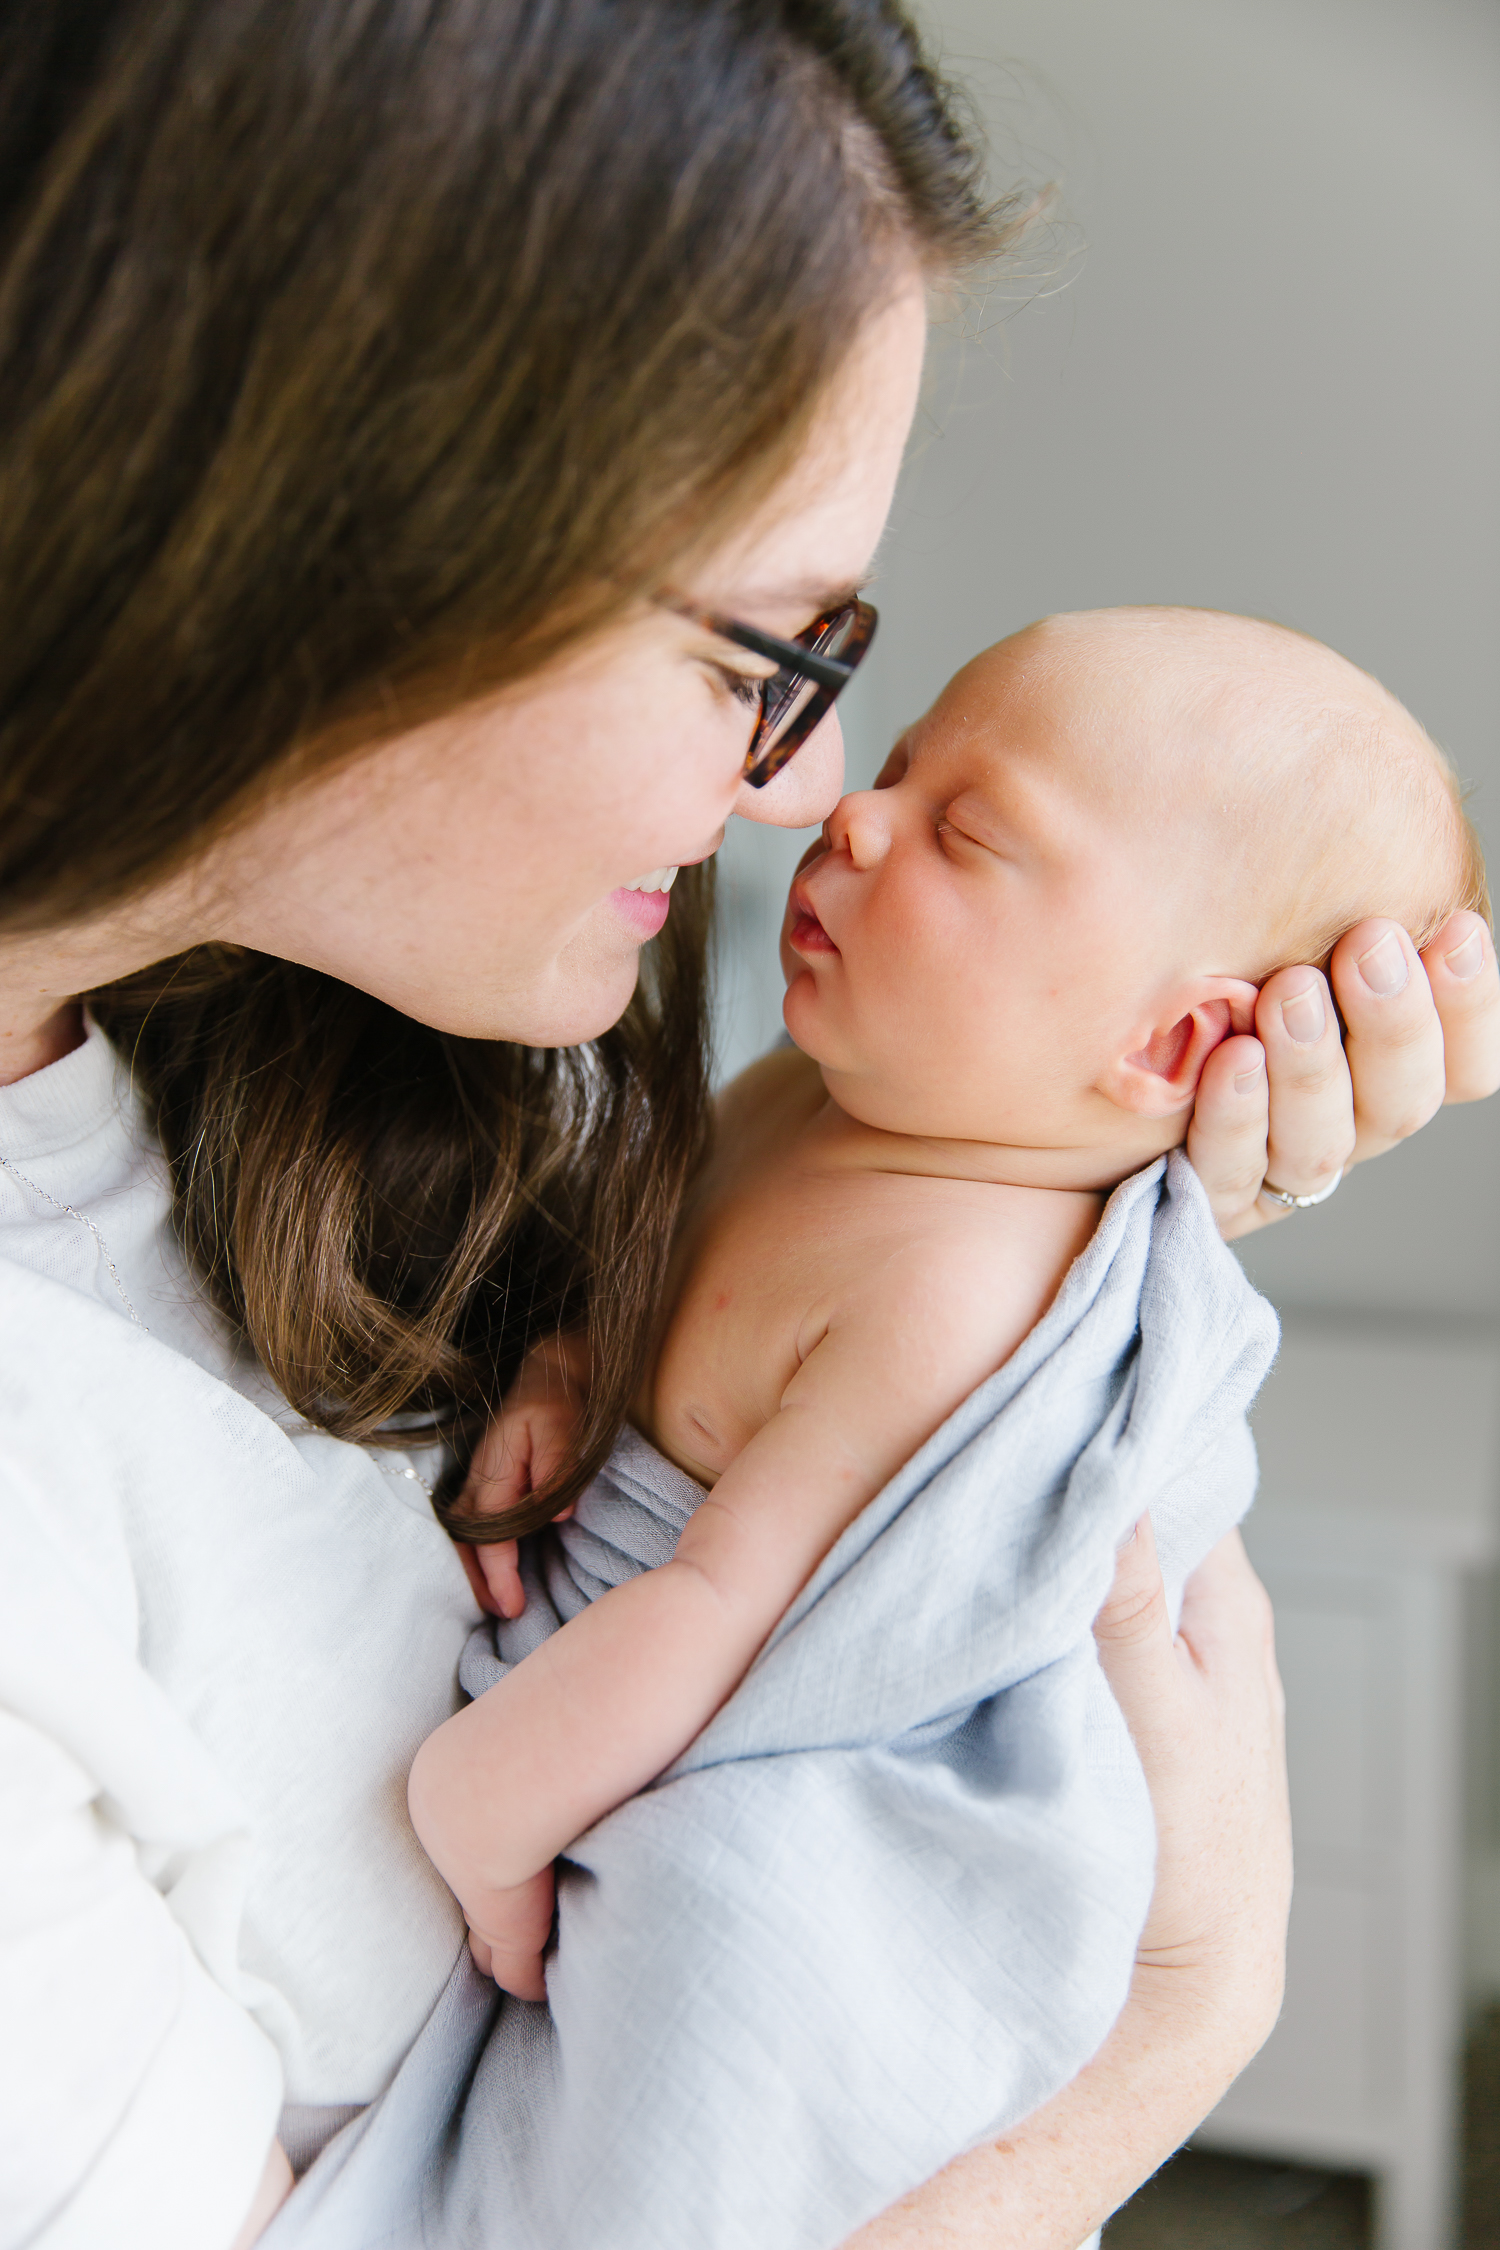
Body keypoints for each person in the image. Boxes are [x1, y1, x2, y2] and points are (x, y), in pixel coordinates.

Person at [0, 9, 1495, 2249]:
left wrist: (1115, 1221)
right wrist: (1151, 2057)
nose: (805, 793)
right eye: (762, 655)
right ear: (324, 529)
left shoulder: (304, 1057)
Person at [408, 605, 1485, 2003]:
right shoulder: (823, 1086)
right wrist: (569, 1363)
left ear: (1173, 1043)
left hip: (650, 1806)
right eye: (903, 767)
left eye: (966, 835)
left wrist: (478, 1818)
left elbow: (722, 1607)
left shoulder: (959, 1295)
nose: (855, 815)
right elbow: (654, 1280)